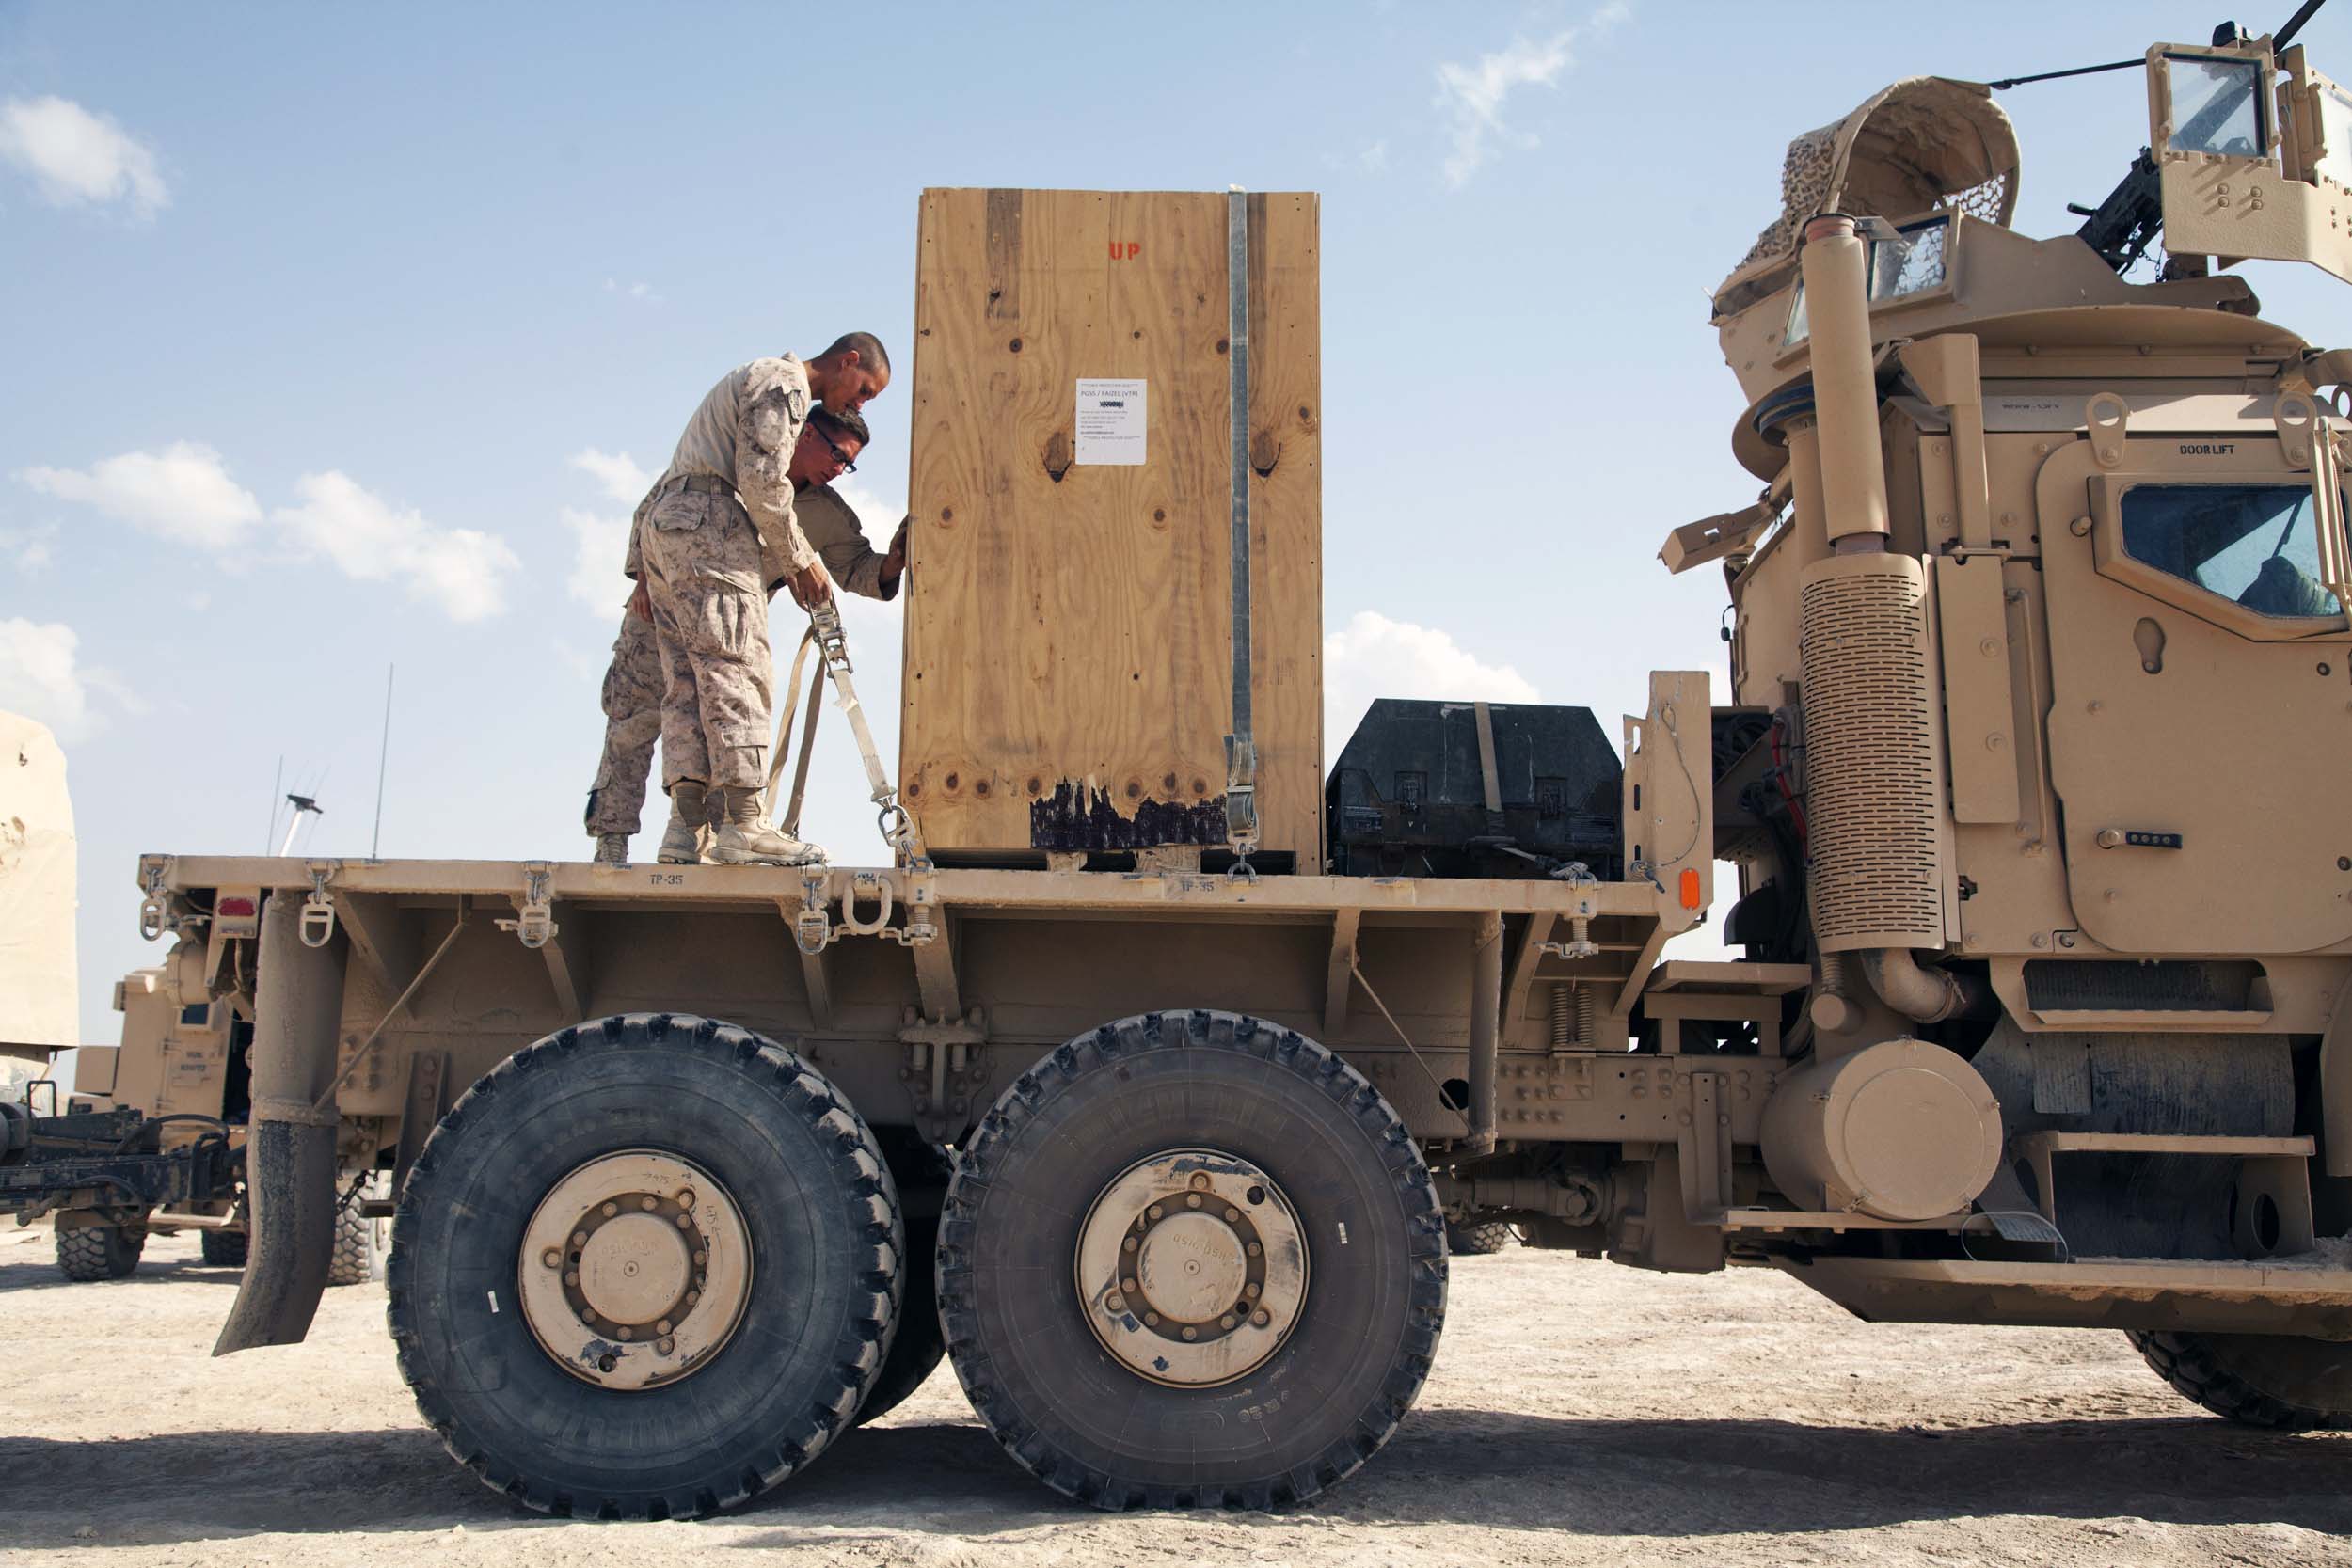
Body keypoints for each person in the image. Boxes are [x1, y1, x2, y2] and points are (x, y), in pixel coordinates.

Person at [587, 404, 909, 865]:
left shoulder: (826, 514)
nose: (838, 469)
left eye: (848, 464)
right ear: (804, 434)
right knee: (632, 721)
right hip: (658, 611)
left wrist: (894, 562)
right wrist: (642, 578)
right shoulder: (732, 468)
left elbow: (857, 567)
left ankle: (709, 839)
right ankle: (611, 840)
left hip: (725, 628)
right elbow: (658, 504)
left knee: (727, 721)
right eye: (836, 453)